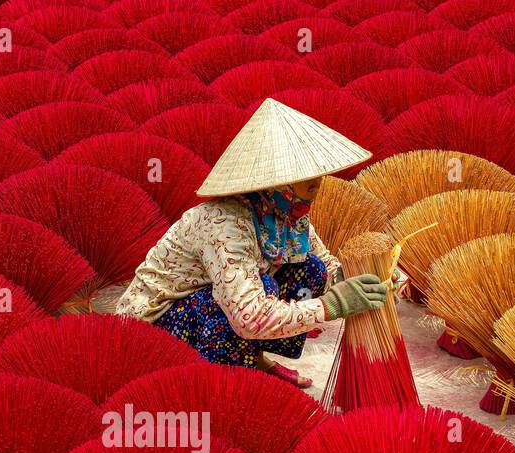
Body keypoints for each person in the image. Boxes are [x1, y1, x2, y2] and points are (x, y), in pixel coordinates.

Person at [115, 98, 388, 388]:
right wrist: (331, 305)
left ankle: (252, 358)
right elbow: (248, 316)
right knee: (258, 293)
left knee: (311, 269)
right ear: (274, 183)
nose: (316, 184)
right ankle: (220, 381)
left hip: (213, 307)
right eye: (303, 176)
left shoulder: (285, 214)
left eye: (316, 174)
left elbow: (325, 263)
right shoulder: (224, 223)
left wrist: (355, 279)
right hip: (156, 328)